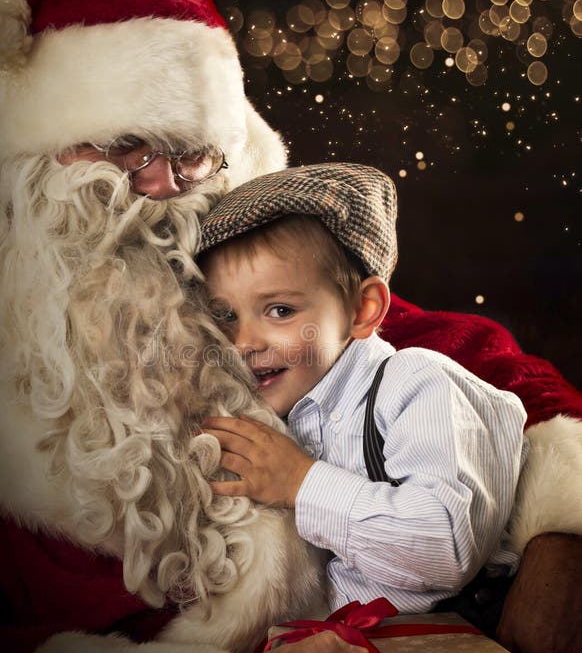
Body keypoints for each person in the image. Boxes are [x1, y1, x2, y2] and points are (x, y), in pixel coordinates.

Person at [0, 0, 580, 653]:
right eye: (124, 148)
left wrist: (561, 545)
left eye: (190, 152)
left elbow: (479, 368)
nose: (166, 189)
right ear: (31, 163)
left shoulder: (249, 286)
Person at [199, 162, 528, 615]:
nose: (245, 343)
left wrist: (300, 482)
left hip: (455, 651)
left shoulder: (415, 384)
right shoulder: (273, 414)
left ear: (363, 309)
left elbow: (447, 549)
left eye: (279, 310)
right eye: (226, 316)